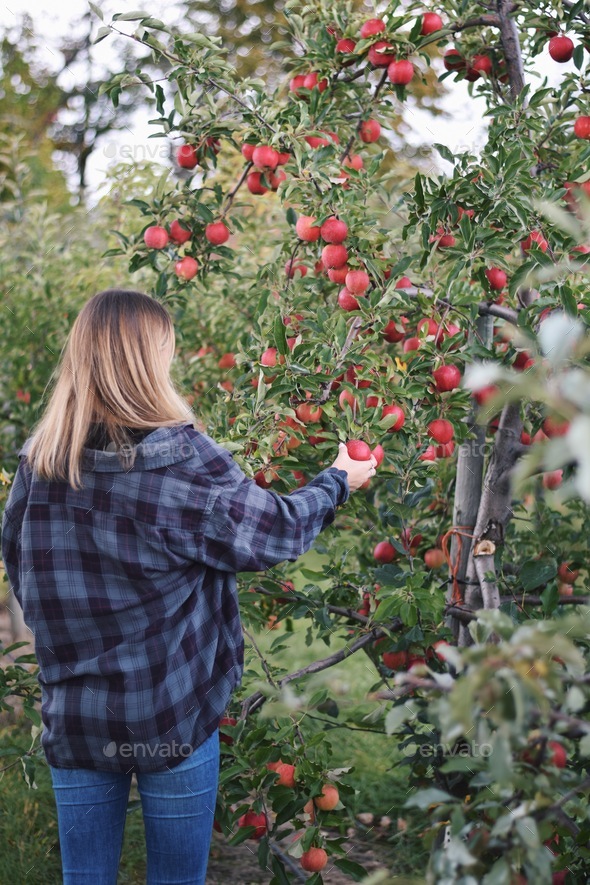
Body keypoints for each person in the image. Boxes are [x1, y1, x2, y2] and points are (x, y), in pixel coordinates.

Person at [1, 289, 376, 885]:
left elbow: (24, 571)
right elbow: (273, 531)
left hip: (76, 714)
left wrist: (78, 636)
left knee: (84, 877)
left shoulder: (39, 464)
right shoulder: (181, 460)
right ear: (151, 364)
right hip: (171, 714)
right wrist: (338, 480)